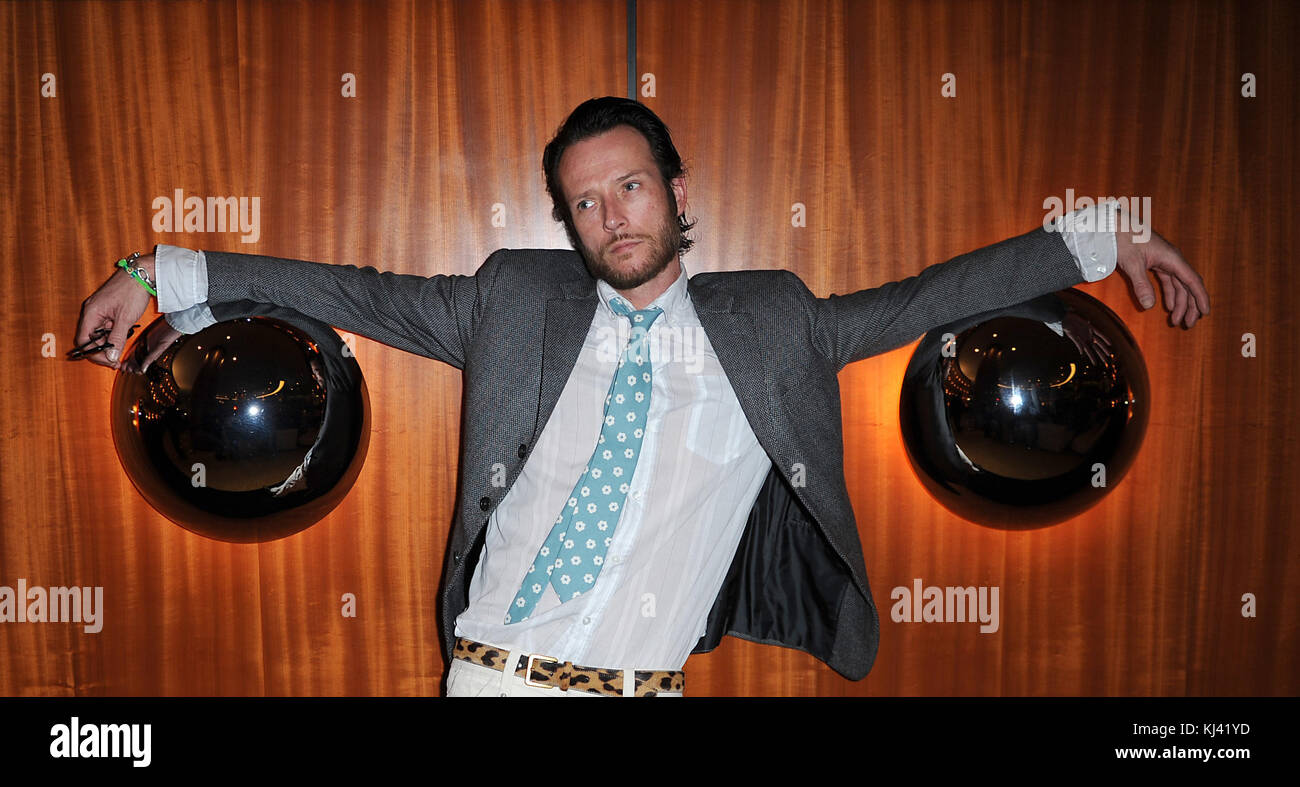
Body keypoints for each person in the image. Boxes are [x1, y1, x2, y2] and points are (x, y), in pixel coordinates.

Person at [75, 96, 1210, 697]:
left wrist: (1110, 237)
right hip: (490, 683)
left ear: (673, 192)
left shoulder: (773, 322)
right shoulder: (510, 301)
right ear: (566, 224)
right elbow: (346, 291)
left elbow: (930, 295)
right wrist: (158, 273)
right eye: (584, 203)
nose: (611, 215)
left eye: (627, 186)